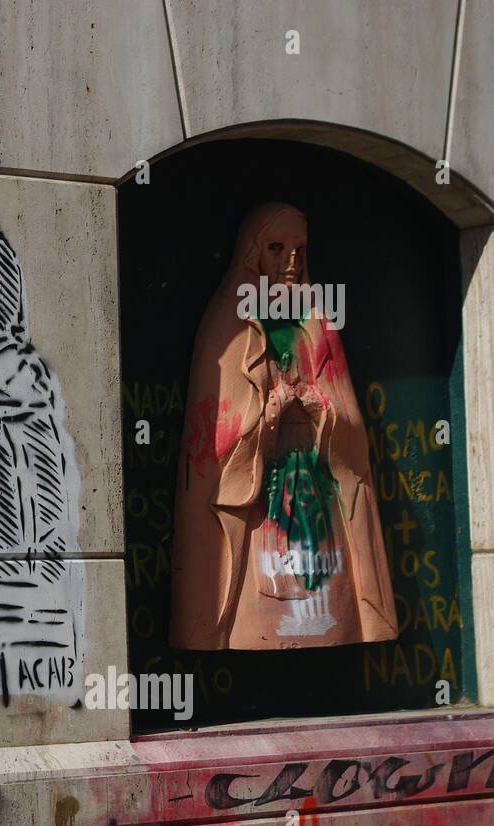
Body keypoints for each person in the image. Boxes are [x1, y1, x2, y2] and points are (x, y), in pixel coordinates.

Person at [170, 203, 397, 650]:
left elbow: (346, 412)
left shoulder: (316, 319)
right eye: (277, 248)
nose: (291, 261)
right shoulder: (227, 323)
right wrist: (264, 418)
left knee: (320, 596)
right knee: (263, 602)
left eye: (299, 249)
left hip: (314, 477)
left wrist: (320, 410)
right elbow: (214, 428)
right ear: (253, 253)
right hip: (259, 488)